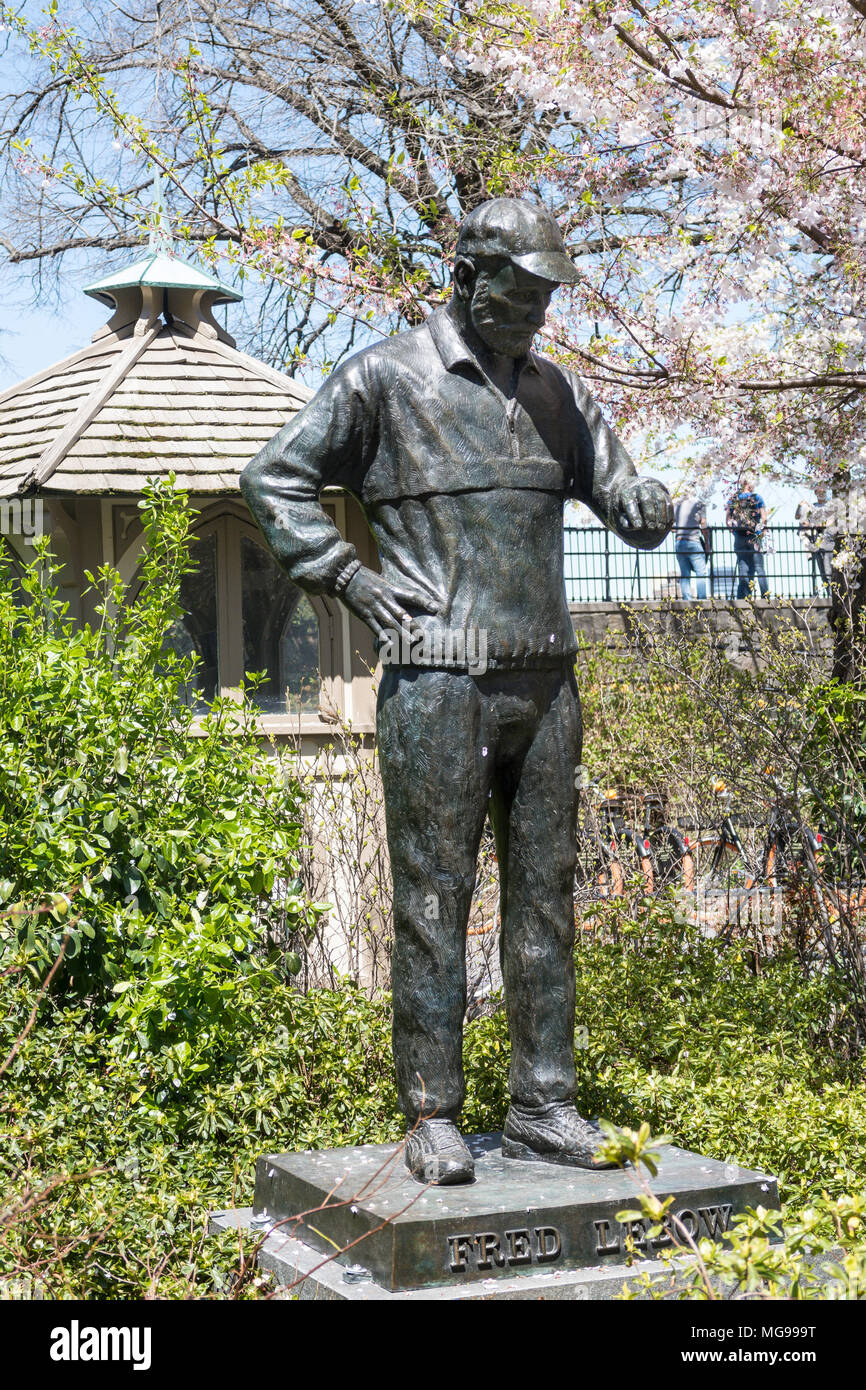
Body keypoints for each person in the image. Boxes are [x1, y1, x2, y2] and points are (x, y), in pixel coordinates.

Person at [240, 198, 672, 1184]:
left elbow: (621, 494)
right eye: (518, 299)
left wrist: (644, 507)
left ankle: (541, 1102)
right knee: (434, 901)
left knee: (545, 902)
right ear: (467, 282)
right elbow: (274, 479)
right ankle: (432, 1110)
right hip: (438, 683)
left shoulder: (558, 395)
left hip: (544, 681)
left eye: (544, 302)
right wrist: (349, 578)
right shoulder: (384, 380)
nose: (533, 318)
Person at [726, 474, 769, 598]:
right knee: (759, 567)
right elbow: (764, 518)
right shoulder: (757, 498)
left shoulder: (734, 498)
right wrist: (760, 531)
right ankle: (765, 595)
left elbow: (728, 519)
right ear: (749, 484)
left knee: (743, 567)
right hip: (753, 535)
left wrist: (734, 531)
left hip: (739, 536)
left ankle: (744, 597)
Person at [796, 483, 836, 594]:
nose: (821, 493)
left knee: (829, 572)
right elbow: (798, 517)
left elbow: (831, 521)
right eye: (818, 491)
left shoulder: (830, 506)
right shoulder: (812, 507)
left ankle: (834, 597)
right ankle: (830, 595)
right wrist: (800, 506)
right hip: (817, 543)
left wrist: (818, 524)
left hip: (828, 542)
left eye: (823, 491)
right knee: (823, 573)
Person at [674, 491, 709, 599]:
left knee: (685, 574)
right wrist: (707, 542)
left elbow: (671, 528)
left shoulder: (676, 505)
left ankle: (687, 600)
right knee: (701, 572)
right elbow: (703, 523)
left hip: (679, 542)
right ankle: (702, 599)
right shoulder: (699, 504)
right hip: (693, 540)